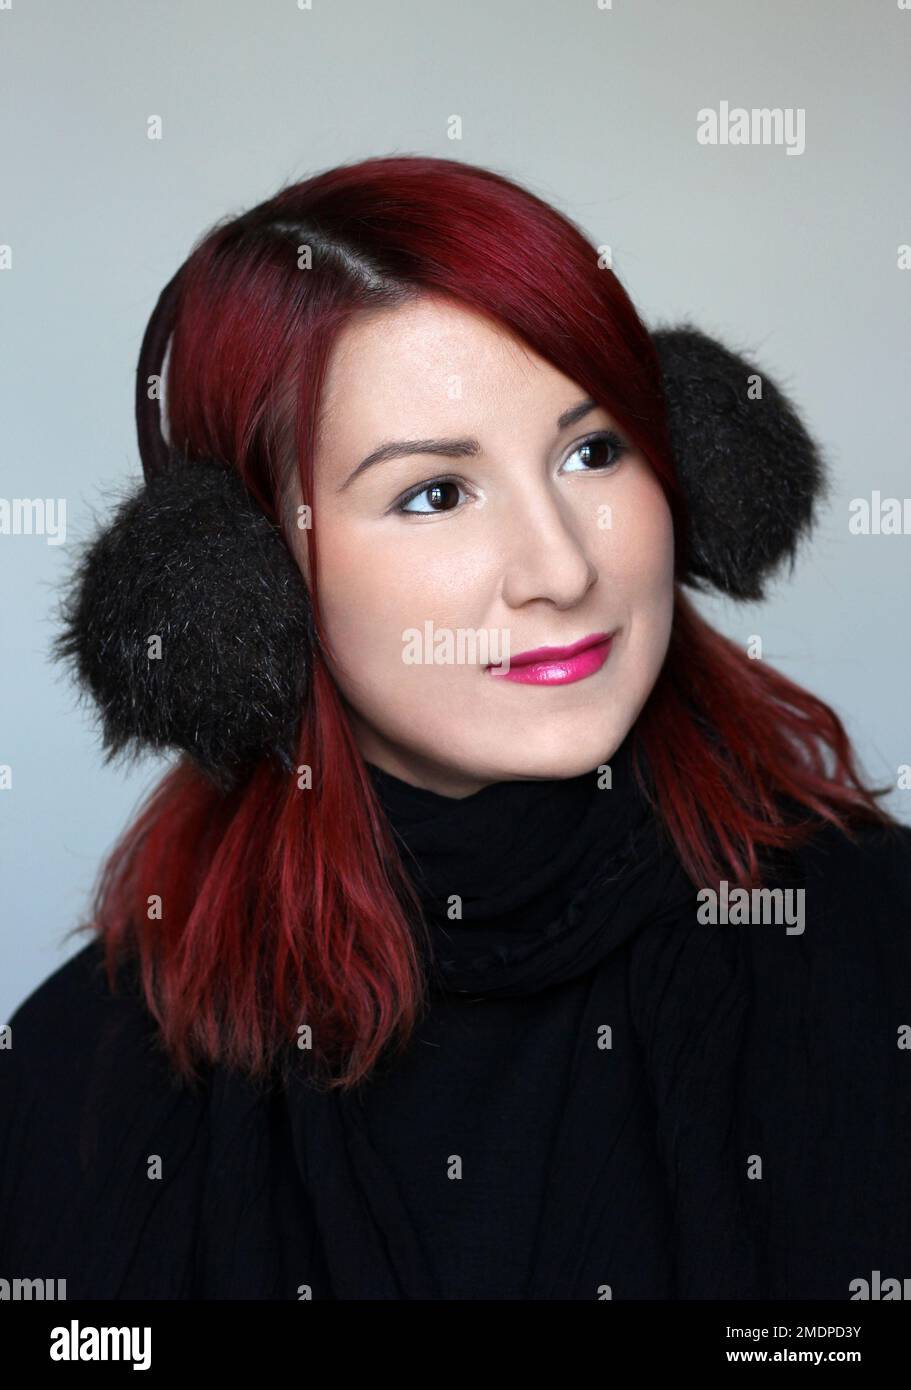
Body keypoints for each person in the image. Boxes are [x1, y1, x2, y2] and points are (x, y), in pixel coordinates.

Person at [2, 154, 909, 1301]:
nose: (562, 567)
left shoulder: (874, 944)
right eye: (433, 493)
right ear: (240, 586)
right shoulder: (78, 1084)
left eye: (592, 450)